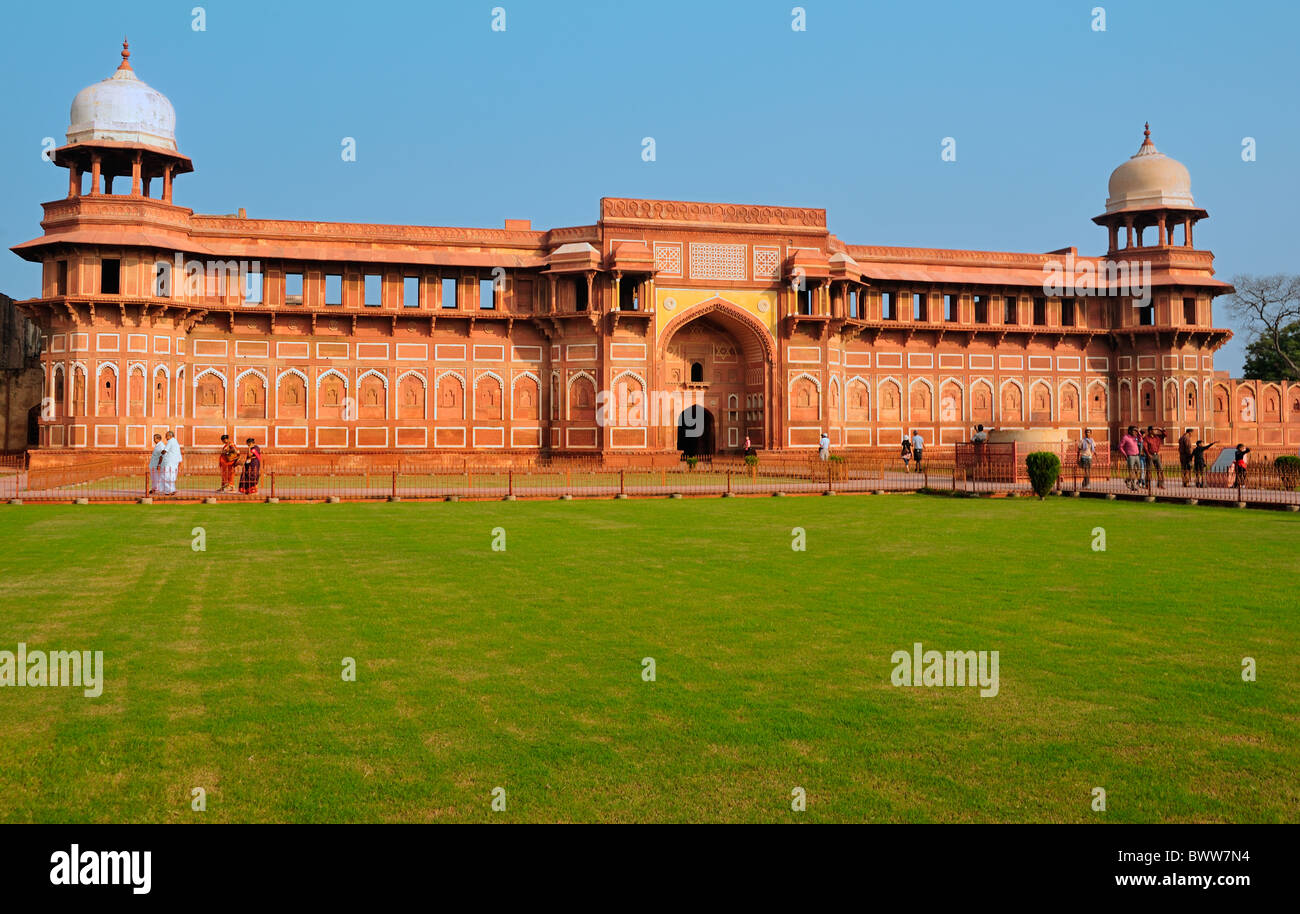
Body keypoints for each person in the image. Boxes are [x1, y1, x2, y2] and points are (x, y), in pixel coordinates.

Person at [1118, 426, 1142, 490]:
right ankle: (1133, 486)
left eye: (1136, 431)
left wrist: (1139, 432)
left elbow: (1141, 440)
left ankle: (1128, 480)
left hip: (1137, 455)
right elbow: (1120, 446)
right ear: (1130, 431)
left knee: (1138, 471)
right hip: (1130, 456)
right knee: (1131, 471)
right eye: (1134, 431)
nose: (1135, 432)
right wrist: (1125, 454)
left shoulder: (1135, 437)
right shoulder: (1125, 437)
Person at [160, 430, 183, 495]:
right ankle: (172, 490)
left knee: (166, 476)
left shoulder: (170, 441)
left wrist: (161, 452)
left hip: (169, 462)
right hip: (175, 462)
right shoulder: (176, 442)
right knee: (172, 476)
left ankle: (168, 491)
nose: (165, 437)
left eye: (166, 436)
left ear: (170, 436)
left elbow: (165, 450)